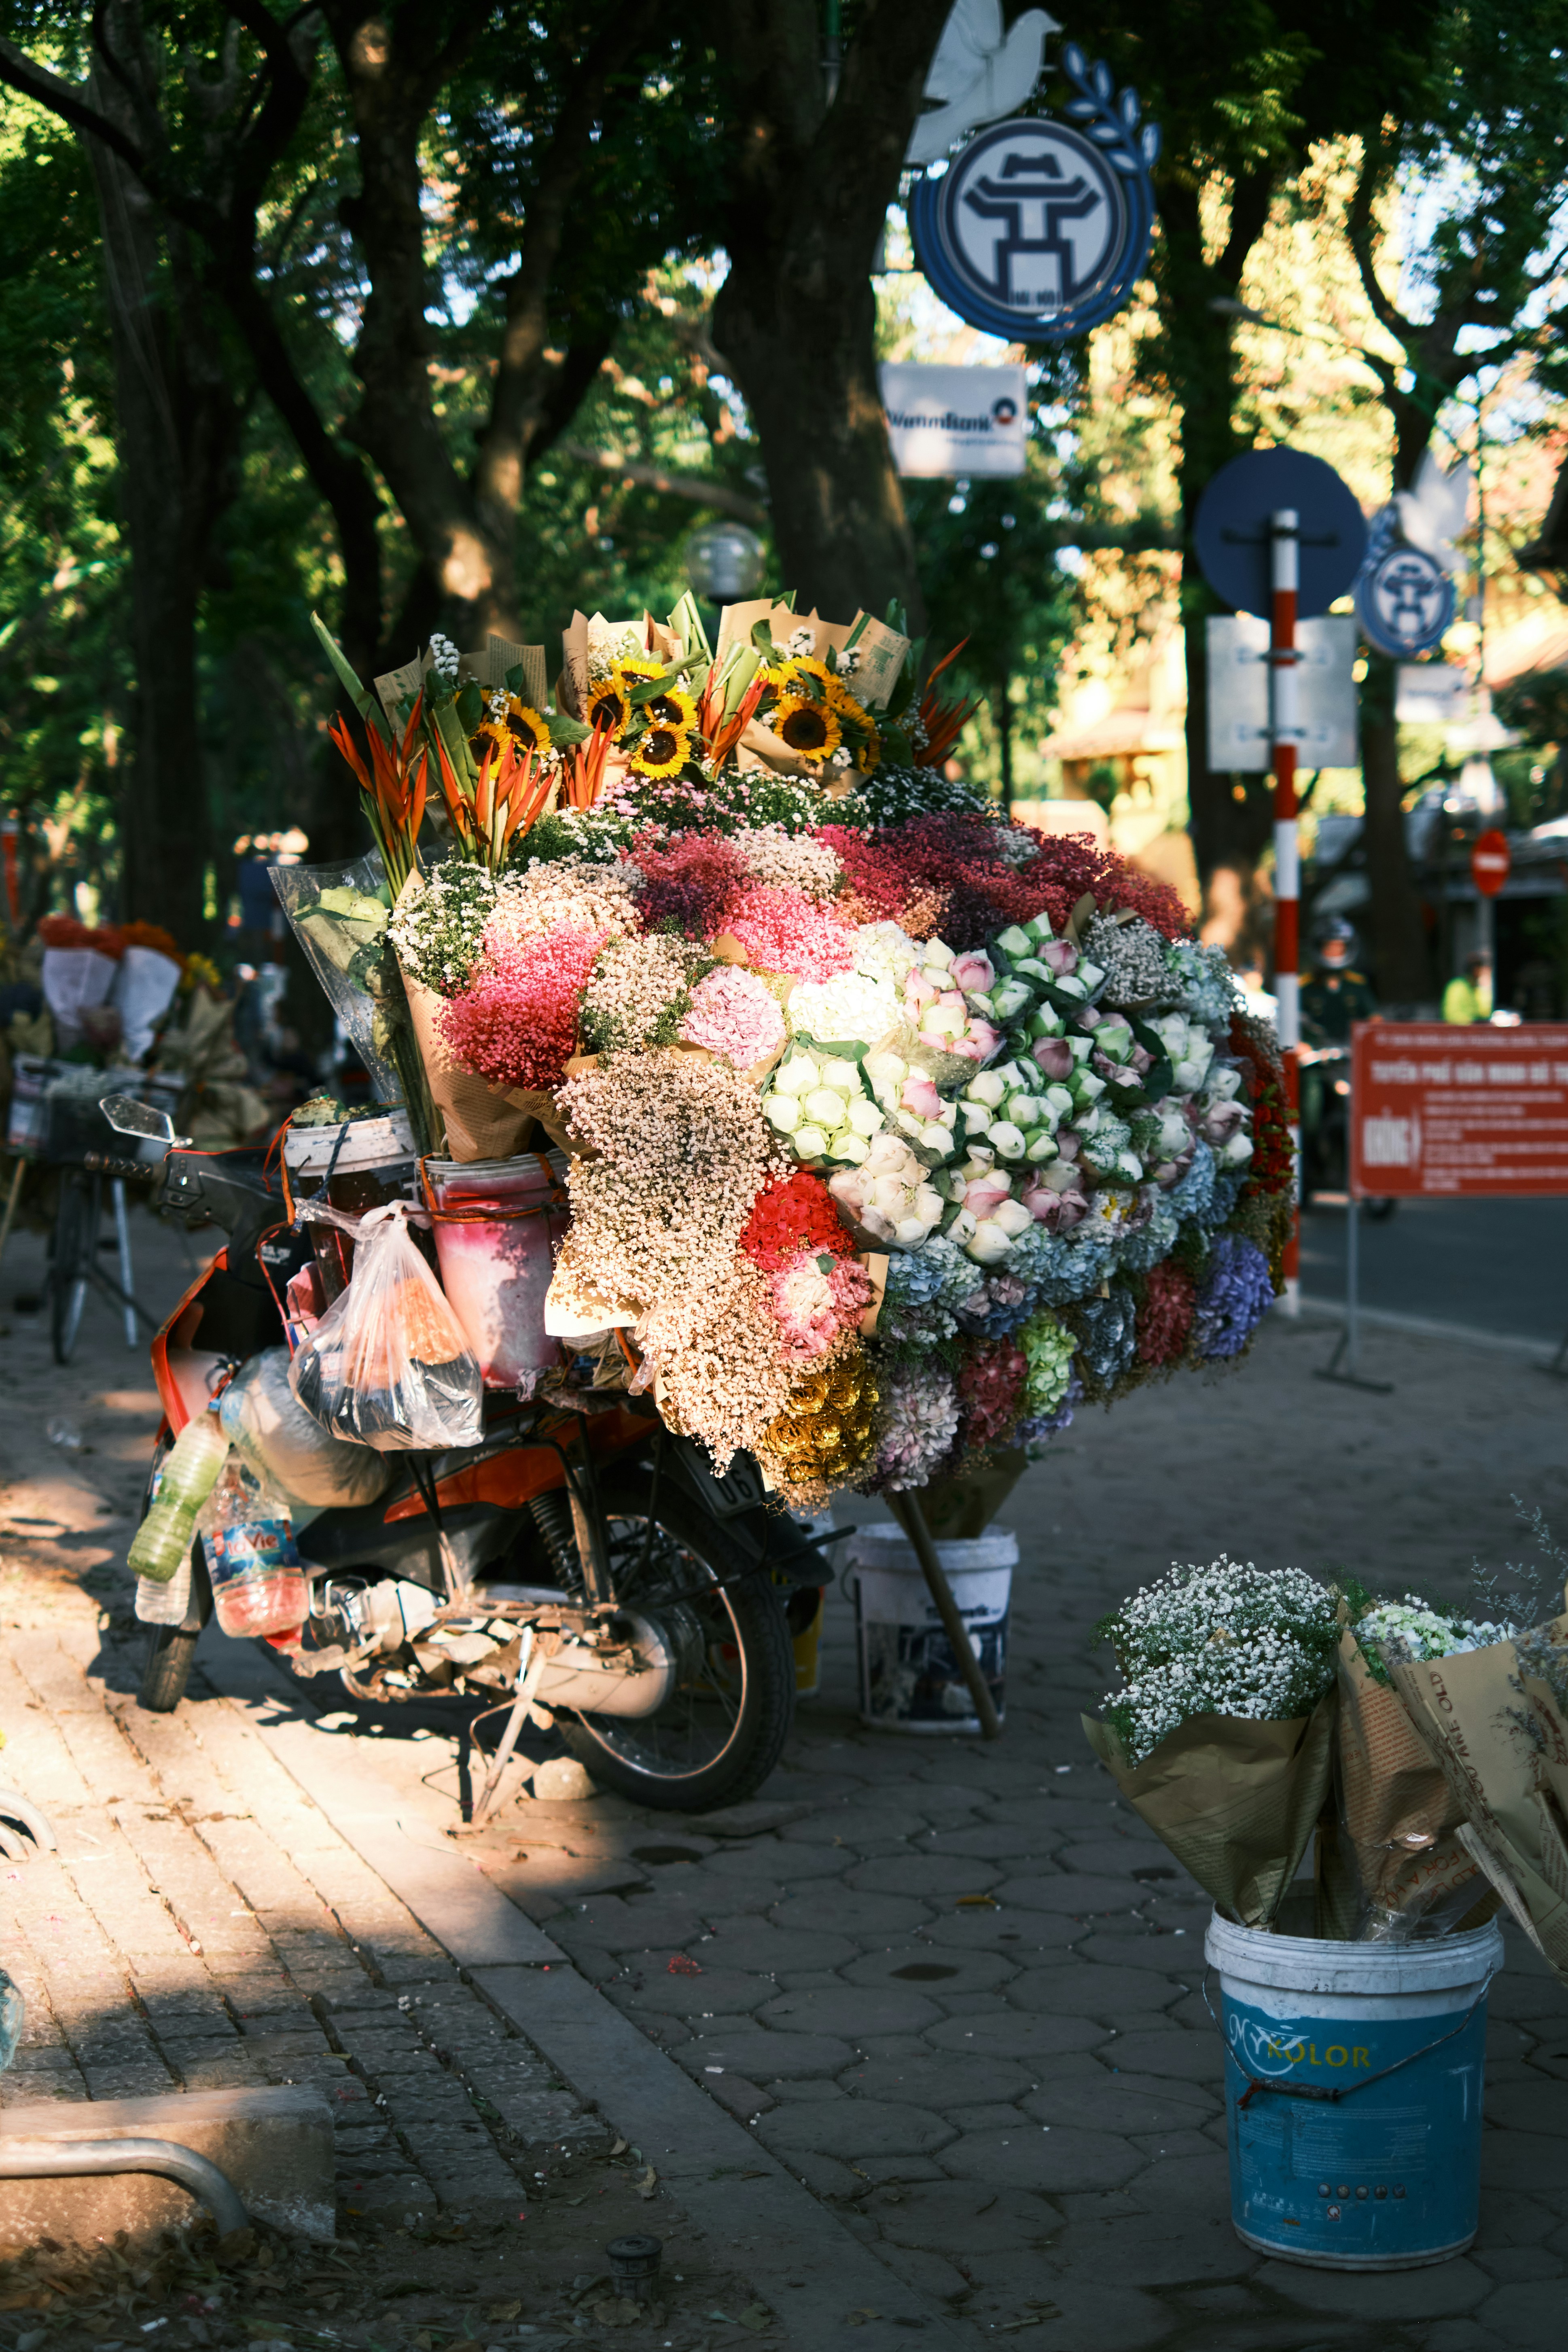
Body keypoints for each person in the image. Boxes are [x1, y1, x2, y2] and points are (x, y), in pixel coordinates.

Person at [1301, 919, 1377, 1046]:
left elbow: (1374, 1019)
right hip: (1316, 1052)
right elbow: (1293, 1021)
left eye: (1339, 947)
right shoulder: (1305, 986)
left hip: (1352, 1049)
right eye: (1330, 947)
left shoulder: (1357, 984)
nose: (1335, 953)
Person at [1443, 950, 1493, 1026]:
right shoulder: (1457, 986)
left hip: (1474, 1033)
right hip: (1458, 1033)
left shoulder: (1478, 989)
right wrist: (1472, 1023)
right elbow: (1452, 1015)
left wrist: (1486, 987)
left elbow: (1485, 1013)